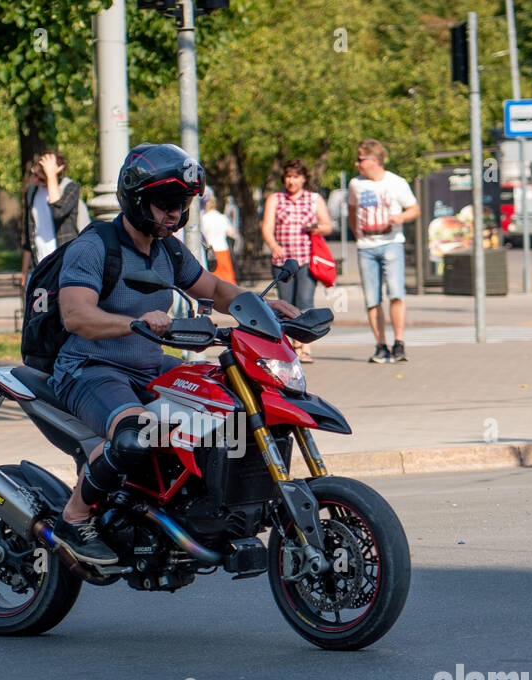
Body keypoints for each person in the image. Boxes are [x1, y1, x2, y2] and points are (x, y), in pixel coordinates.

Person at [49, 143, 300, 565]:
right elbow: (76, 316)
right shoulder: (94, 248)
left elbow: (216, 290)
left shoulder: (168, 250)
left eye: (181, 204)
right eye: (165, 203)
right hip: (90, 368)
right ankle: (74, 518)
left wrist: (259, 305)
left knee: (226, 407)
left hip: (149, 364)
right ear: (135, 197)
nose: (174, 214)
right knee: (134, 436)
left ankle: (187, 511)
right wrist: (135, 323)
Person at [348, 139, 418, 363]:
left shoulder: (396, 182)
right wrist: (356, 233)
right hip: (366, 247)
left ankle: (399, 343)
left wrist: (402, 217)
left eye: (360, 159)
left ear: (374, 160)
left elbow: (414, 208)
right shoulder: (355, 184)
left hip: (392, 243)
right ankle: (380, 345)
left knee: (396, 293)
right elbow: (351, 210)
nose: (357, 164)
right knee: (372, 298)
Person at [261, 158, 331, 363]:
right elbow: (266, 227)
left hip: (306, 259)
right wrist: (274, 245)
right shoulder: (275, 198)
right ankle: (291, 348)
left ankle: (305, 348)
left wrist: (315, 227)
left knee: (305, 302)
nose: (291, 181)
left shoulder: (313, 199)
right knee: (285, 304)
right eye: (288, 176)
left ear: (303, 178)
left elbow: (327, 225)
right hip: (283, 261)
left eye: (296, 177)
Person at [20, 150, 81, 287]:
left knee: (63, 307)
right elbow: (28, 234)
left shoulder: (70, 188)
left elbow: (58, 211)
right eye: (33, 174)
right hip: (38, 266)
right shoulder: (32, 192)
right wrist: (25, 272)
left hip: (65, 264)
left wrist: (51, 176)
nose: (35, 181)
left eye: (41, 178)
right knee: (39, 308)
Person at [199, 191, 238, 285]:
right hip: (223, 249)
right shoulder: (222, 217)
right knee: (227, 279)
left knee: (213, 279)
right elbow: (231, 233)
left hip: (209, 251)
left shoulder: (203, 219)